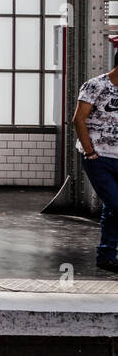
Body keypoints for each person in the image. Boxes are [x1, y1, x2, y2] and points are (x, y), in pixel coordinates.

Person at [72, 48, 118, 273]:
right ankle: (107, 254)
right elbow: (78, 119)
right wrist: (90, 152)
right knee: (116, 204)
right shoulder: (96, 85)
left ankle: (106, 255)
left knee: (113, 205)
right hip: (98, 158)